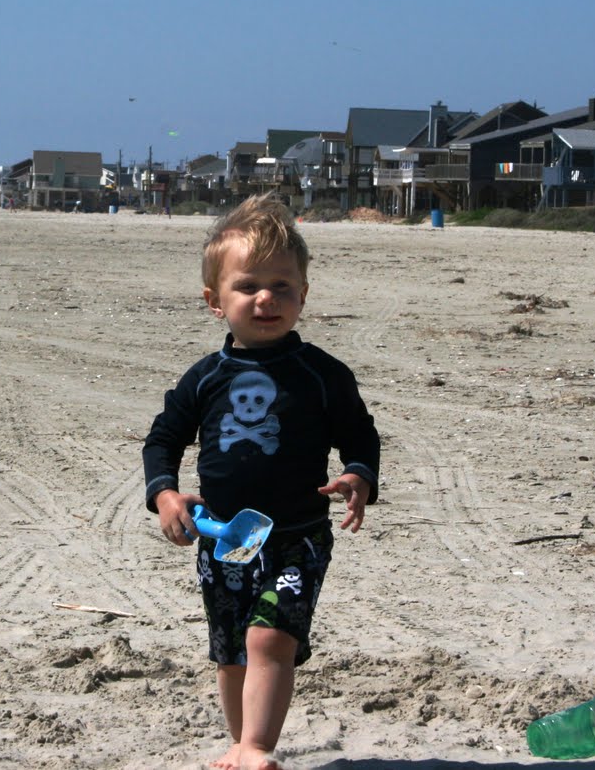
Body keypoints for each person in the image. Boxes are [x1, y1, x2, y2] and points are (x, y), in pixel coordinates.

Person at [142, 194, 380, 770]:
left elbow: (360, 434)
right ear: (215, 301)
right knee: (231, 653)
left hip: (298, 537)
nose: (266, 298)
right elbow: (162, 440)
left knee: (269, 638)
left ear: (303, 295)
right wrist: (166, 495)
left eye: (282, 286)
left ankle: (256, 747)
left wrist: (358, 475)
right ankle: (240, 741)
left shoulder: (321, 375)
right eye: (248, 286)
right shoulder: (205, 379)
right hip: (224, 539)